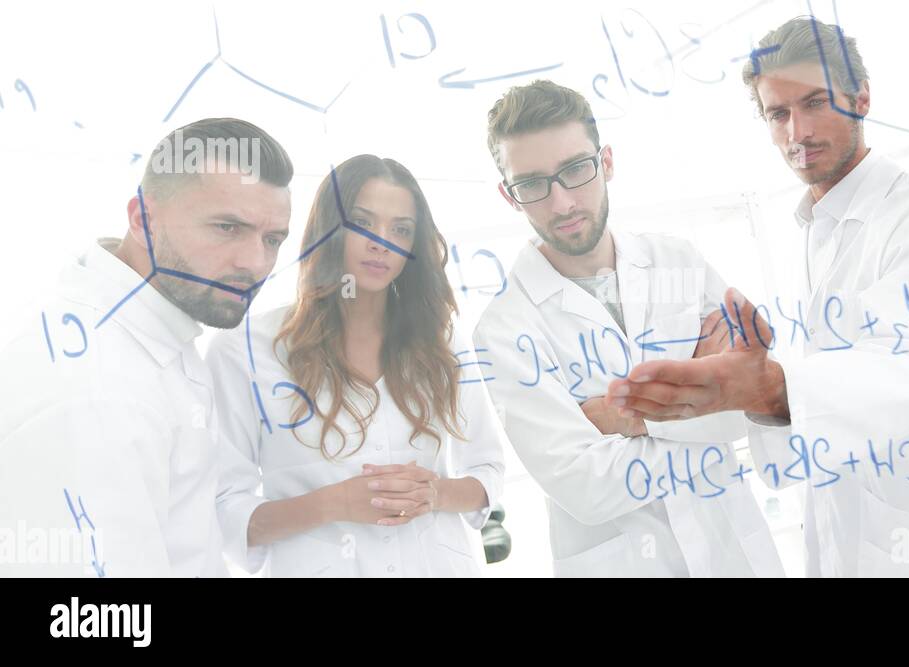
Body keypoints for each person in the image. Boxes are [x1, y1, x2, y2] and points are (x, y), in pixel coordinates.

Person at [607, 18, 909, 577]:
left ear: (861, 99)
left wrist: (771, 388)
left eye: (816, 103)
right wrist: (758, 388)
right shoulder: (813, 228)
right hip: (842, 521)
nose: (798, 132)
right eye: (778, 113)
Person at [472, 80, 783, 577]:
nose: (561, 204)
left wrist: (622, 417)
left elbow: (748, 406)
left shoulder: (678, 261)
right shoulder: (504, 329)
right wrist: (699, 391)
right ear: (510, 196)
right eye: (532, 184)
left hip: (733, 554)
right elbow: (585, 487)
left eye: (575, 170)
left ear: (607, 162)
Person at [0, 118, 294, 576]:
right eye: (226, 227)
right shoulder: (98, 385)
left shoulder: (158, 336)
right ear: (143, 220)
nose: (255, 263)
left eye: (272, 239)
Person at [206, 155, 505, 577]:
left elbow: (487, 472)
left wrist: (434, 494)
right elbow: (224, 511)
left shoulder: (441, 342)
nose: (380, 242)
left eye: (400, 229)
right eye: (362, 222)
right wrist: (334, 503)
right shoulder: (245, 352)